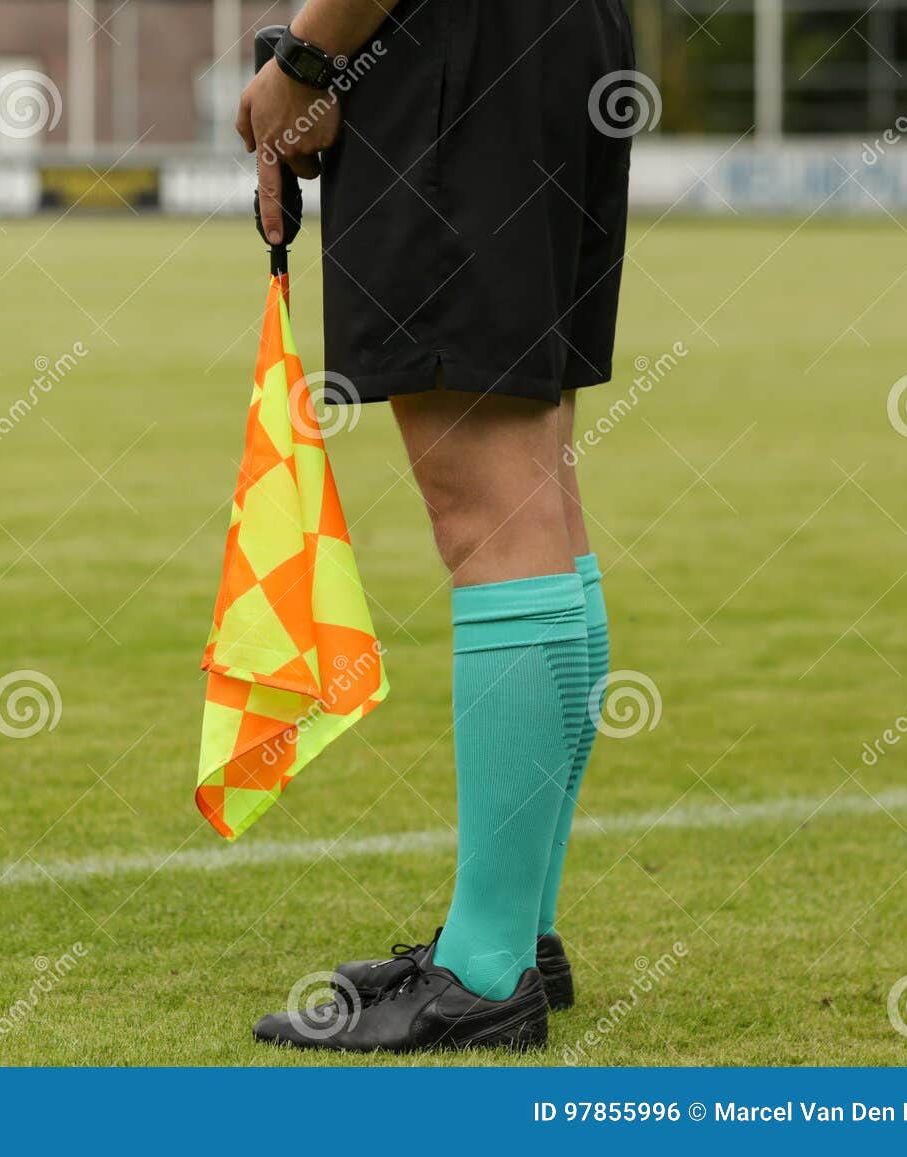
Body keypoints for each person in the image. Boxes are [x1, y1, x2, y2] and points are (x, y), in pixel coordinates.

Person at [237, 0, 633, 1052]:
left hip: (464, 53)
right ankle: (516, 936)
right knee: (538, 492)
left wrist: (303, 62)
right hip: (563, 42)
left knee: (492, 511)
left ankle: (485, 968)